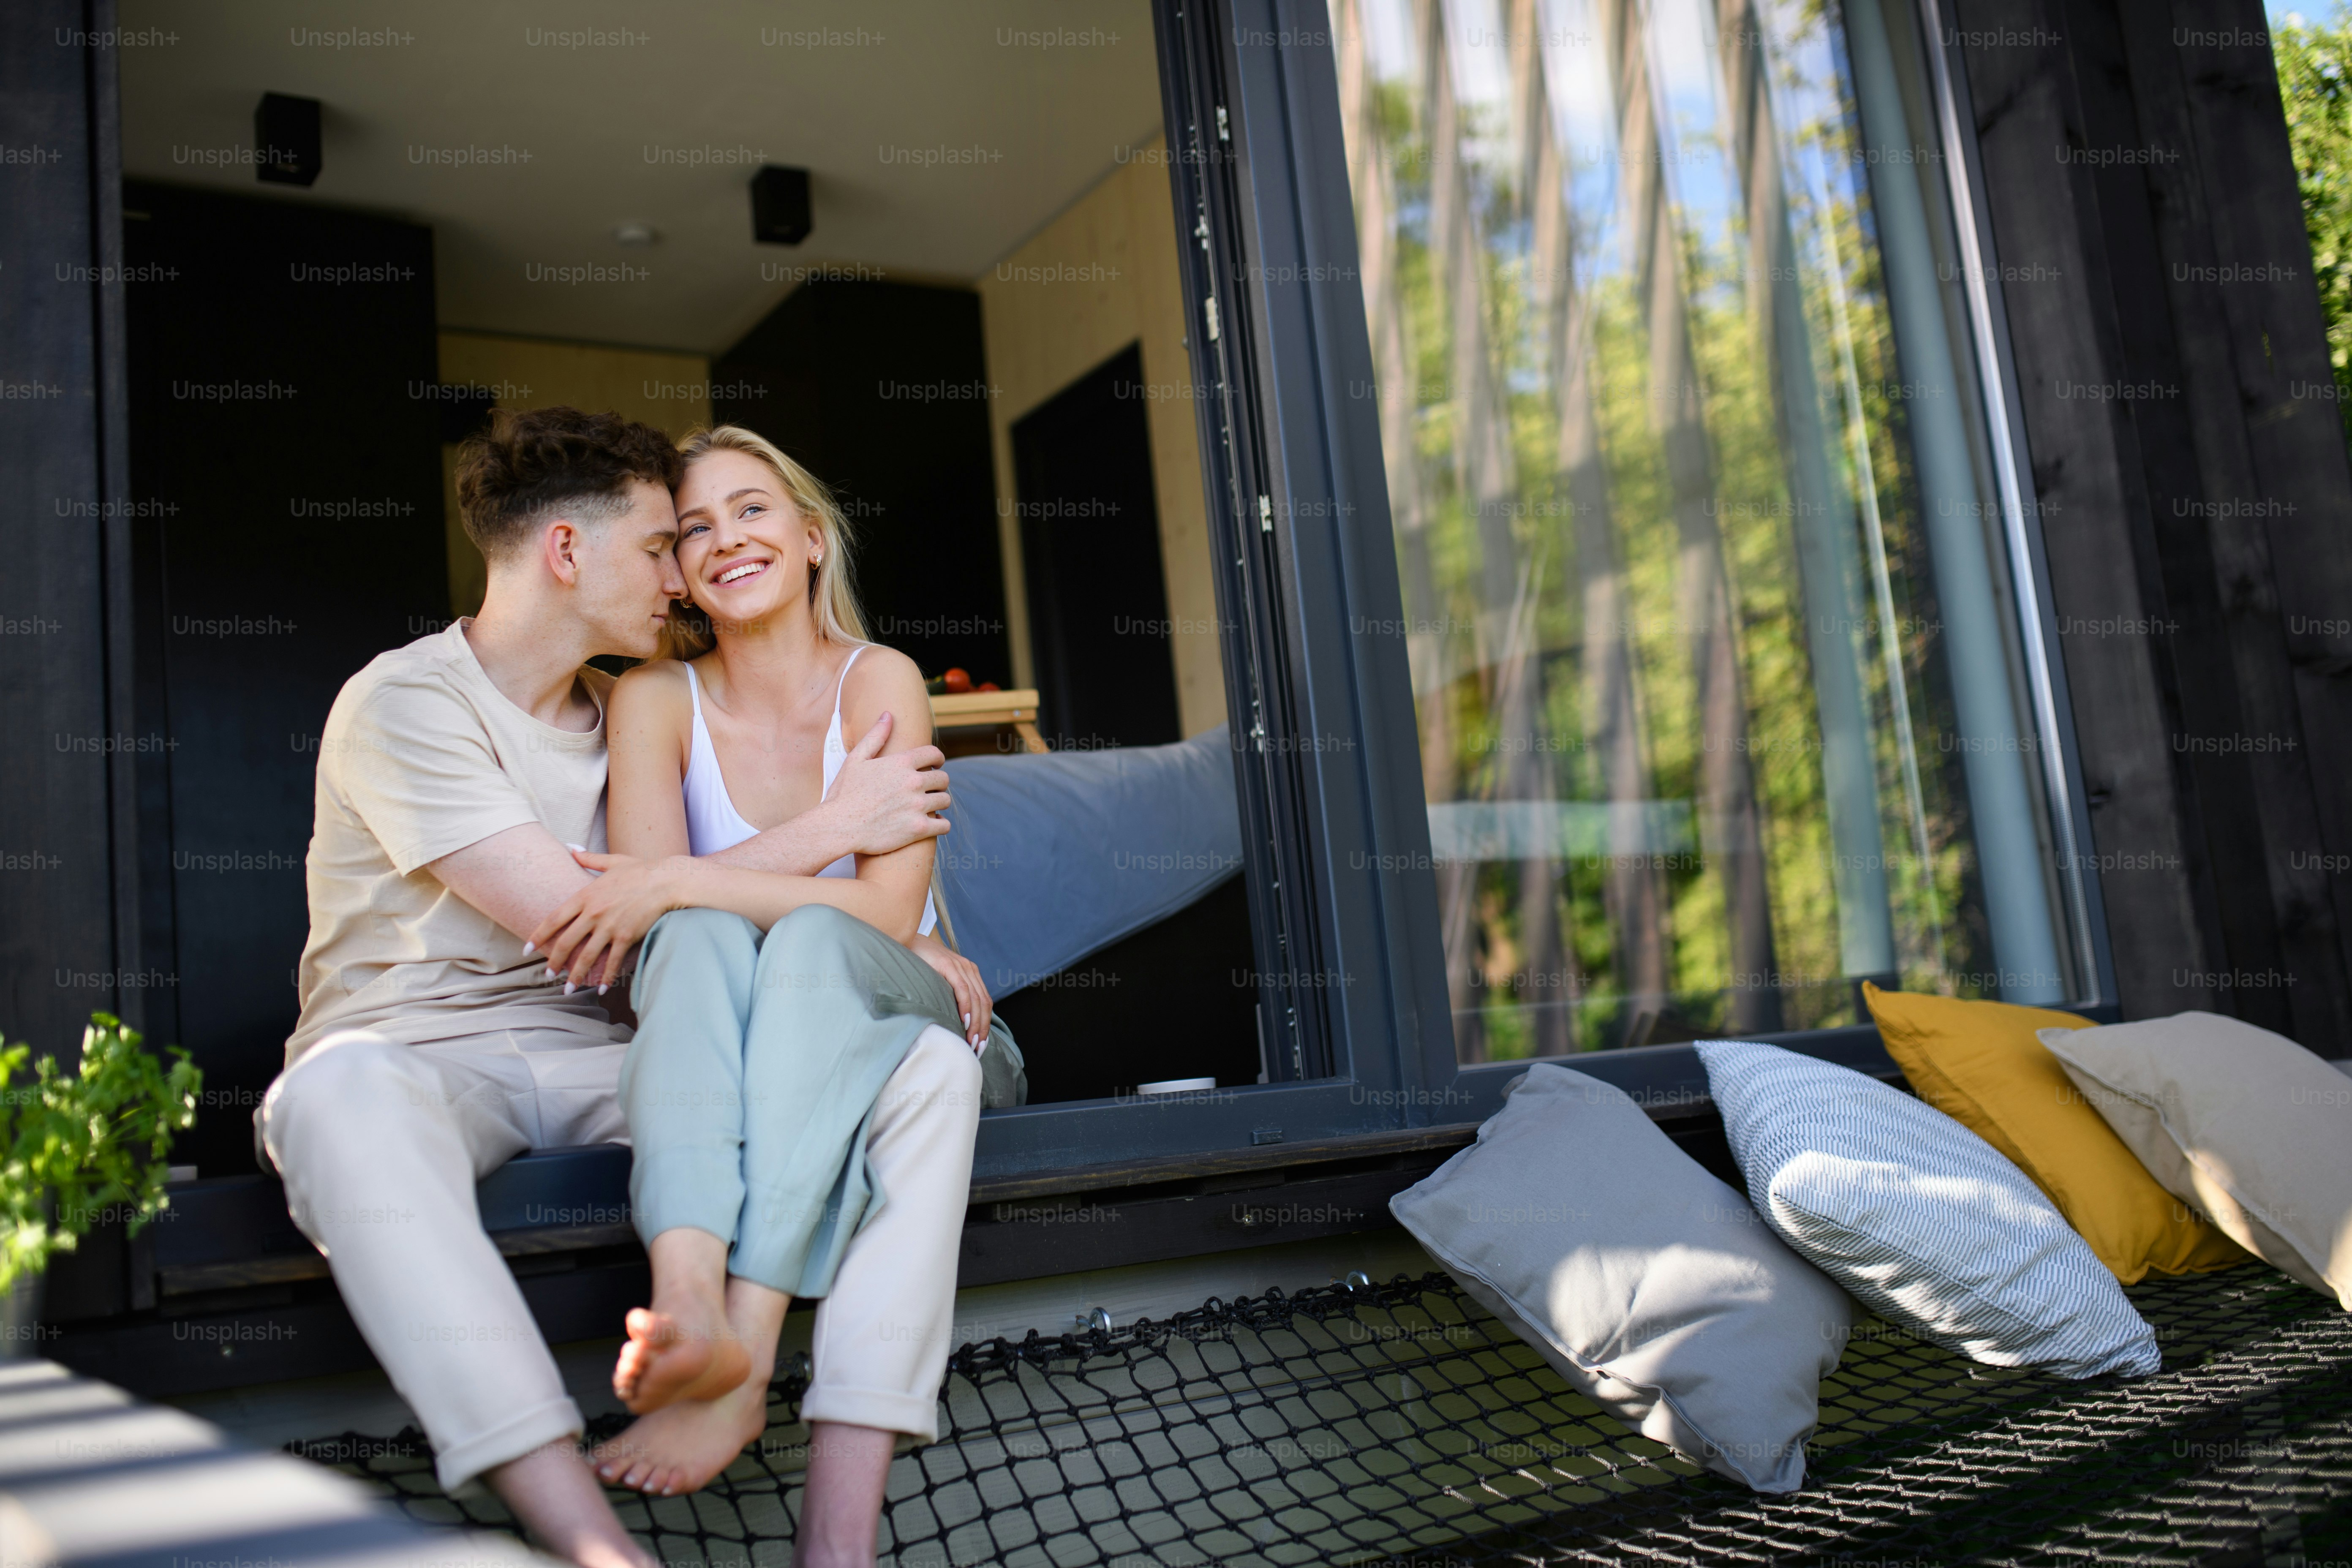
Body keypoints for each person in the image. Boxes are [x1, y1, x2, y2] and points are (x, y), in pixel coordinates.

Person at [260, 406, 987, 1568]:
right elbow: (591, 919)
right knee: (336, 1105)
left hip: (616, 1051)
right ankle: (595, 1544)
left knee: (929, 1072)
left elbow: (686, 911)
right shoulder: (408, 704)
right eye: (663, 546)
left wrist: (911, 937)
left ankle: (819, 1508)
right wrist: (842, 825)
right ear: (565, 553)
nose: (682, 573)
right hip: (423, 1051)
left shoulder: (627, 706)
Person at [524, 425, 1021, 1546]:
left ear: (807, 539)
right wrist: (823, 839)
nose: (724, 540)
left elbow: (885, 919)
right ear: (679, 568)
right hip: (759, 1032)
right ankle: (688, 1290)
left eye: (751, 511)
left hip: (924, 1010)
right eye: (694, 528)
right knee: (697, 944)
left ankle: (744, 1347)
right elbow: (657, 919)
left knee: (787, 942)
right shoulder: (651, 697)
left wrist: (689, 883)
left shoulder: (879, 676)